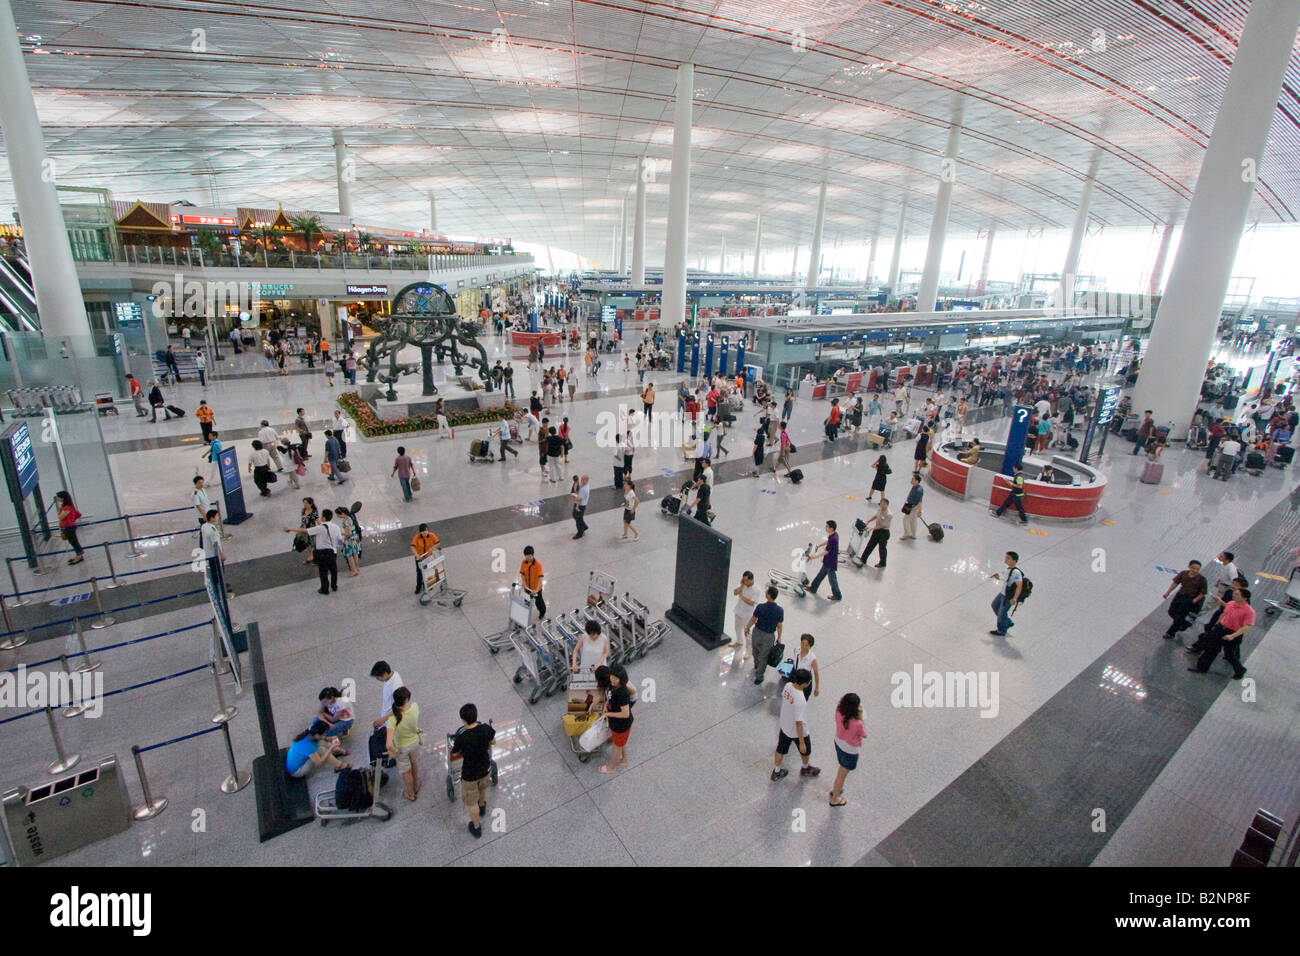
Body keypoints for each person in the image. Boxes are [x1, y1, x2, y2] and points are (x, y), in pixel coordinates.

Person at [451, 703, 496, 838]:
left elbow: (455, 751)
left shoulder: (461, 736)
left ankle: (476, 826)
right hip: (485, 768)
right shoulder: (485, 728)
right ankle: (482, 806)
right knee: (482, 789)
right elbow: (493, 742)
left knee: (471, 802)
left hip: (469, 774)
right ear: (476, 716)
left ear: (463, 720)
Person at [1188, 587, 1253, 680]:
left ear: (1244, 598)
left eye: (1237, 594)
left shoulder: (1249, 611)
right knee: (1210, 649)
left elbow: (1247, 626)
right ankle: (1201, 668)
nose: (1233, 595)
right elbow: (1225, 611)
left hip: (1233, 633)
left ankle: (1240, 669)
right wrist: (1217, 624)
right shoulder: (1231, 603)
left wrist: (1232, 636)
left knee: (1230, 655)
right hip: (1220, 629)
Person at [771, 668, 818, 781]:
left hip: (784, 725)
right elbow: (798, 723)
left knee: (780, 749)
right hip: (796, 732)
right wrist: (801, 742)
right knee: (806, 750)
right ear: (805, 684)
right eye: (809, 682)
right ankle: (805, 768)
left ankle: (776, 771)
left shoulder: (788, 686)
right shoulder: (801, 699)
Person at [285, 510, 342, 595]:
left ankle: (324, 589)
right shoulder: (336, 527)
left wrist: (290, 529)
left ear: (324, 518)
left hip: (322, 553)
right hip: (332, 552)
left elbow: (305, 530)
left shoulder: (319, 528)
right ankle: (334, 586)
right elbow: (340, 541)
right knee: (334, 570)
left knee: (323, 572)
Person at [385, 687, 423, 801]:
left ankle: (410, 793)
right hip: (414, 742)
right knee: (414, 763)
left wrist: (393, 751)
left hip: (401, 748)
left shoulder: (392, 719)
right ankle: (416, 783)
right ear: (406, 700)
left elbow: (388, 744)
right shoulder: (415, 707)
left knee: (406, 772)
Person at [829, 693, 864, 807]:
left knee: (841, 767)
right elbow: (863, 734)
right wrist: (861, 716)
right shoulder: (856, 723)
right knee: (842, 775)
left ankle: (837, 789)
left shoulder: (838, 711)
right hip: (850, 750)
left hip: (838, 742)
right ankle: (835, 797)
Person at [745, 586, 785, 686]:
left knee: (755, 650)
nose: (765, 593)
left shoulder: (760, 607)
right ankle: (759, 675)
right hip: (769, 636)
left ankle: (756, 665)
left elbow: (753, 619)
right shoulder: (780, 610)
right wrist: (779, 637)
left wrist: (747, 628)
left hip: (757, 632)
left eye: (766, 592)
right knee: (764, 656)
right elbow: (779, 626)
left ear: (769, 595)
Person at [600, 664, 635, 774]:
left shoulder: (622, 693)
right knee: (620, 742)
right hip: (616, 723)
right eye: (612, 677)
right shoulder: (613, 686)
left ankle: (611, 767)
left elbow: (625, 714)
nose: (613, 680)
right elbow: (609, 697)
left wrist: (610, 714)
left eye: (616, 678)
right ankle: (624, 760)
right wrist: (606, 705)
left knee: (617, 746)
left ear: (621, 679)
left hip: (621, 725)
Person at [1161, 560, 1207, 640]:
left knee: (1180, 616)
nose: (1195, 570)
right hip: (1180, 595)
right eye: (1193, 568)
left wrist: (1194, 600)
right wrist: (1168, 592)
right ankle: (1184, 624)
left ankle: (1170, 633)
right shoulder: (1183, 574)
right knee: (1171, 611)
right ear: (1189, 567)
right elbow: (1175, 583)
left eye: (1197, 569)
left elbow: (1203, 593)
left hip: (1189, 599)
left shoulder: (1201, 579)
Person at [285, 724, 349, 778]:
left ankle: (337, 751)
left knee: (321, 743)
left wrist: (331, 738)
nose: (325, 735)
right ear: (317, 735)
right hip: (297, 771)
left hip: (292, 763)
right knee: (321, 750)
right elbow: (319, 762)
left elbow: (321, 740)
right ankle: (340, 766)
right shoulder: (308, 746)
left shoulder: (309, 734)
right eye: (323, 734)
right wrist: (331, 748)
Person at [988, 550, 1024, 637]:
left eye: (1008, 558)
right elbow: (1007, 580)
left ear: (1014, 561)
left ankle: (1001, 630)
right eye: (1006, 558)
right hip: (1002, 593)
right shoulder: (1008, 568)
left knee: (1001, 613)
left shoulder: (1016, 572)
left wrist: (1014, 599)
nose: (1006, 560)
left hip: (1008, 597)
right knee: (994, 605)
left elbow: (1019, 586)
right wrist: (998, 578)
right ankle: (1007, 622)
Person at [807, 521, 843, 601]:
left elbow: (826, 551)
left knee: (832, 580)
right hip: (828, 561)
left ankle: (837, 595)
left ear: (831, 528)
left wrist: (814, 557)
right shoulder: (834, 534)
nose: (825, 527)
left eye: (827, 526)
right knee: (820, 575)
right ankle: (813, 588)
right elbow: (828, 541)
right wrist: (819, 545)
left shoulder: (833, 539)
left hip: (831, 563)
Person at [729, 571, 759, 659]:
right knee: (737, 628)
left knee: (747, 633)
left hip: (747, 615)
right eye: (743, 580)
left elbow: (751, 602)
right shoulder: (743, 585)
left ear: (751, 580)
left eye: (745, 580)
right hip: (739, 611)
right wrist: (741, 586)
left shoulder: (756, 590)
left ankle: (749, 651)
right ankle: (739, 641)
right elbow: (735, 592)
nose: (744, 582)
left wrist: (741, 596)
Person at [856, 497, 892, 568]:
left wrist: (872, 528)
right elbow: (876, 516)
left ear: (886, 505)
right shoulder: (880, 509)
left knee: (882, 548)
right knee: (870, 545)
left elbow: (883, 525)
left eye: (882, 504)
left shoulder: (889, 514)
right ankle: (863, 559)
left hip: (884, 532)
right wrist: (869, 521)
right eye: (880, 503)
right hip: (877, 530)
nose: (881, 505)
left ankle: (882, 563)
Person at [369, 660, 404, 731]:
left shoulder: (396, 686)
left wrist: (383, 720)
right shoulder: (391, 676)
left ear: (385, 674)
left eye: (378, 677)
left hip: (391, 721)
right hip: (386, 719)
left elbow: (400, 707)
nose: (377, 679)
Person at [54, 491, 85, 565]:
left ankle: (79, 555)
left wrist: (70, 520)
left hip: (69, 527)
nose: (57, 498)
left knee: (74, 541)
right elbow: (78, 514)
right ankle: (78, 555)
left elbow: (60, 517)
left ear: (62, 498)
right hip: (68, 526)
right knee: (72, 541)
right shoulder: (66, 506)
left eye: (58, 497)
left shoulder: (67, 507)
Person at [519, 545, 546, 618]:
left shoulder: (538, 565)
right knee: (527, 601)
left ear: (532, 555)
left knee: (539, 602)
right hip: (528, 588)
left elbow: (540, 578)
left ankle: (542, 612)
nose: (528, 558)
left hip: (536, 589)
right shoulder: (524, 563)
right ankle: (526, 613)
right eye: (526, 556)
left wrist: (537, 589)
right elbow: (522, 574)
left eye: (529, 556)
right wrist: (524, 584)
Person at [336, 505, 362, 577]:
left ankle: (353, 570)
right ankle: (357, 568)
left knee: (349, 555)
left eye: (338, 514)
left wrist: (341, 534)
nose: (337, 516)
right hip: (355, 538)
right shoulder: (350, 518)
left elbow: (348, 533)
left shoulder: (346, 520)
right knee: (355, 553)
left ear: (343, 513)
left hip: (349, 539)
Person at [899, 472, 924, 540]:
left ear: (916, 481)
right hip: (910, 505)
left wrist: (919, 511)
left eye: (913, 479)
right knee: (913, 520)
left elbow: (920, 501)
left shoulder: (919, 490)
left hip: (913, 507)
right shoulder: (915, 486)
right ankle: (913, 534)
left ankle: (907, 534)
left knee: (906, 519)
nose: (911, 480)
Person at [571, 474, 590, 539]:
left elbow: (579, 499)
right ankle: (584, 526)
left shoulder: (584, 489)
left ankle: (580, 533)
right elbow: (578, 487)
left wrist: (573, 496)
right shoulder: (584, 485)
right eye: (581, 479)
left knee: (578, 519)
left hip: (581, 505)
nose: (581, 481)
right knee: (575, 515)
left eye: (583, 480)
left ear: (586, 480)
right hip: (579, 504)